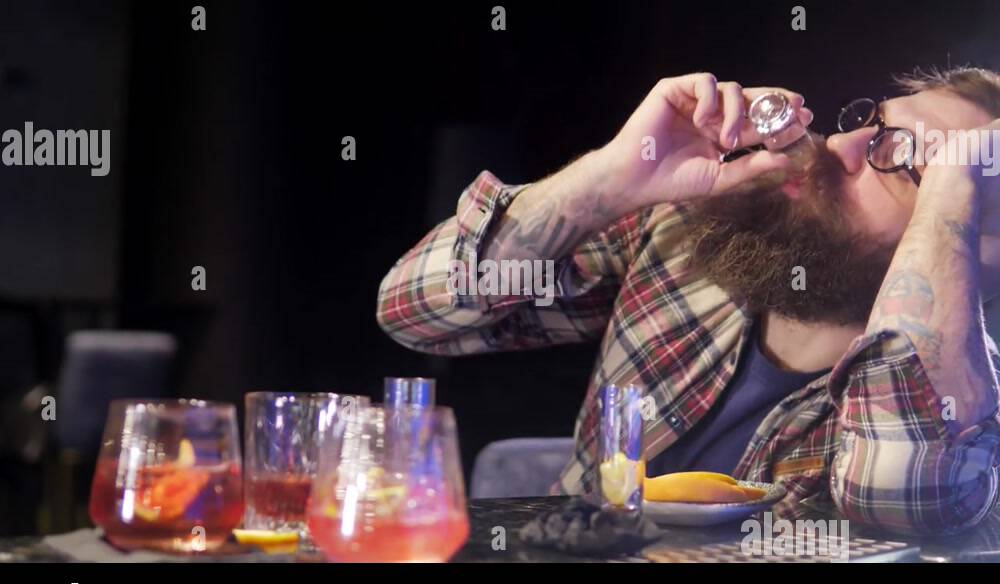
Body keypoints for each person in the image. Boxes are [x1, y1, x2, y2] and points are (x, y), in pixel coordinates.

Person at [377, 67, 1000, 535]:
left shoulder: (972, 394)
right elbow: (417, 313)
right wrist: (606, 181)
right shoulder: (687, 237)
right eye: (877, 122)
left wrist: (953, 189)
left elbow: (903, 496)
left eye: (902, 154)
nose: (841, 145)